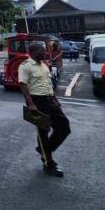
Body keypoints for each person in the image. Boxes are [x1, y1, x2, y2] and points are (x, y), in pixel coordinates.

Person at [18, 42, 71, 177]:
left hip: (50, 100)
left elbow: (48, 84)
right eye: (41, 51)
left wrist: (55, 99)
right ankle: (48, 162)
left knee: (64, 126)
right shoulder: (26, 66)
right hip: (37, 101)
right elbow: (23, 85)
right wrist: (30, 104)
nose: (44, 53)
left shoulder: (44, 65)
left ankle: (44, 149)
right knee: (43, 132)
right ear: (33, 52)